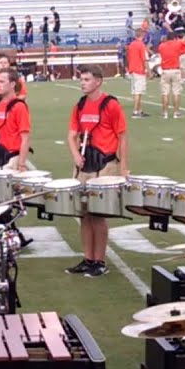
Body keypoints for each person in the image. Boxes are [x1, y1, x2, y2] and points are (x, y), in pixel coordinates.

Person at [66, 65, 129, 277]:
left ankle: (100, 261)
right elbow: (71, 135)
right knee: (84, 214)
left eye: (86, 79)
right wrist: (76, 155)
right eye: (81, 79)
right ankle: (88, 258)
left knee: (98, 214)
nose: (82, 83)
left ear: (98, 81)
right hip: (84, 165)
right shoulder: (80, 105)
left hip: (105, 165)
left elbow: (122, 137)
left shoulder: (111, 104)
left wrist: (124, 167)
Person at [0, 70, 31, 171]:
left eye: (2, 82)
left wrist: (21, 163)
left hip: (12, 158)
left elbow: (25, 138)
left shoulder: (19, 106)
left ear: (12, 84)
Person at [157, 33, 185, 119]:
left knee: (165, 93)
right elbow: (184, 44)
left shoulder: (162, 46)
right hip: (175, 70)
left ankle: (165, 113)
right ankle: (176, 112)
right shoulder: (177, 44)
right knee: (176, 92)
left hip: (165, 70)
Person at [126, 36, 150, 117]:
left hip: (132, 69)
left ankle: (139, 110)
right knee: (138, 91)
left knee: (135, 91)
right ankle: (136, 111)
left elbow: (128, 57)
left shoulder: (131, 45)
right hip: (139, 70)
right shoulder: (141, 45)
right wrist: (149, 71)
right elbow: (145, 59)